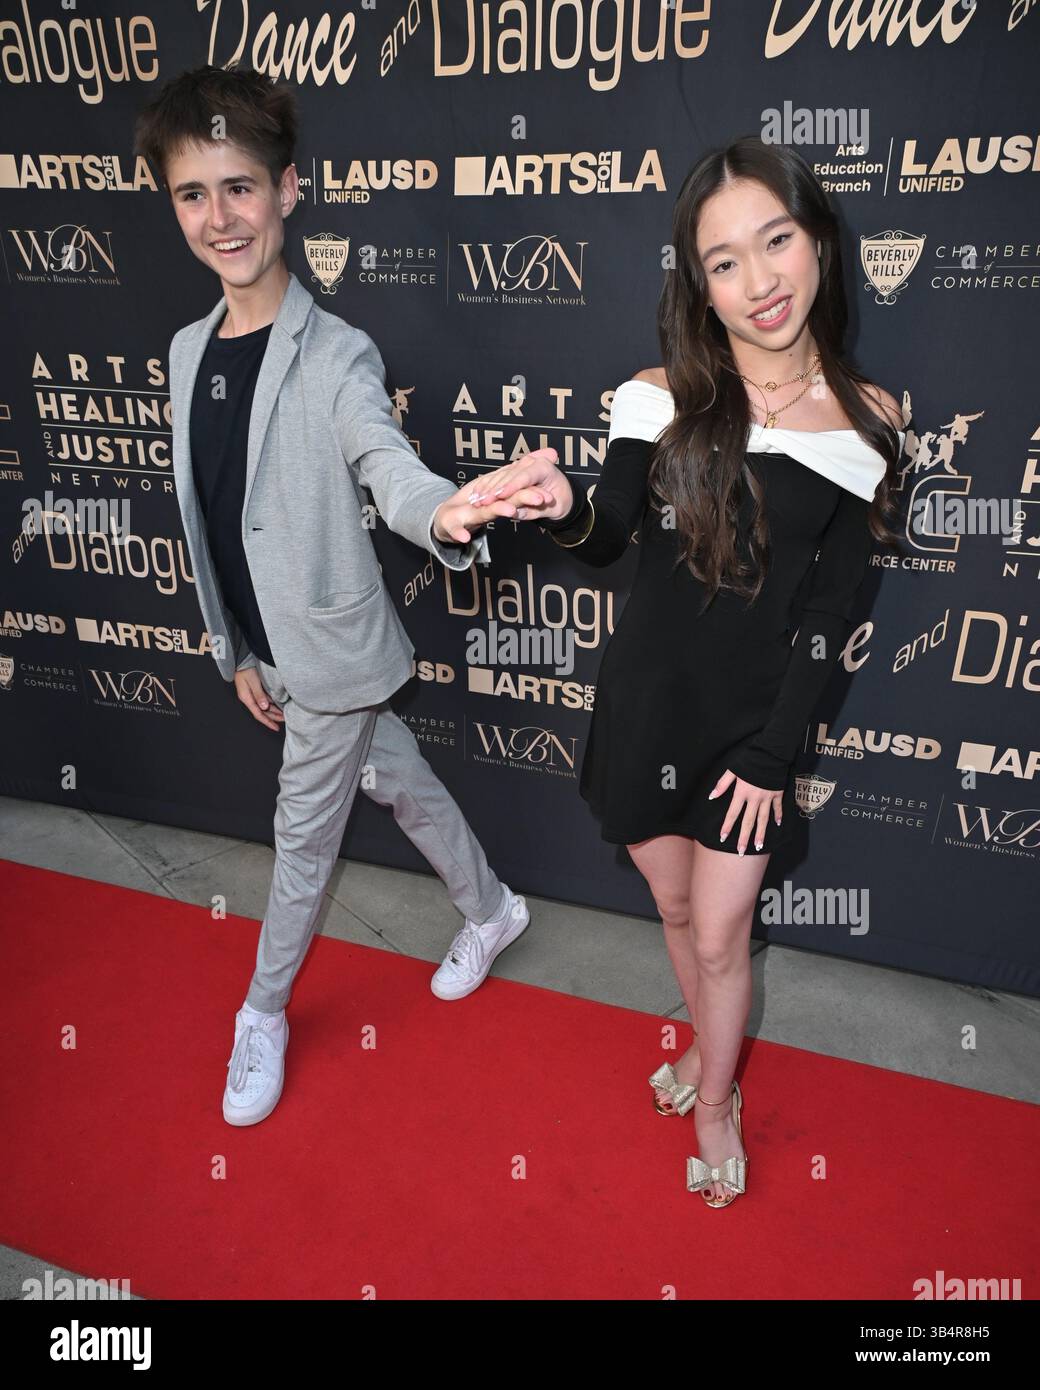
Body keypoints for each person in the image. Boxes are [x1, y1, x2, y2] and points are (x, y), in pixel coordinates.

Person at [465, 137, 907, 1207]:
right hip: (646, 710)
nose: (758, 283)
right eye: (722, 262)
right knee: (673, 912)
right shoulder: (654, 397)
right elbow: (608, 536)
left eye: (776, 242)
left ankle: (714, 1099)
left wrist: (771, 754)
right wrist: (560, 504)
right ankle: (706, 1059)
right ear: (696, 285)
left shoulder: (871, 422)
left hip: (750, 736)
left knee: (719, 934)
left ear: (820, 245)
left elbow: (828, 614)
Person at [133, 64, 557, 1127]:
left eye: (239, 186)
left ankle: (261, 1014)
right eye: (193, 193)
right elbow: (214, 520)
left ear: (288, 191)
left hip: (329, 658)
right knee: (402, 782)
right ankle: (493, 907)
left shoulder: (335, 354)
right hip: (278, 649)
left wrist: (444, 512)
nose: (219, 216)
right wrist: (235, 650)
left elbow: (387, 463)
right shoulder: (186, 353)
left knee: (299, 844)